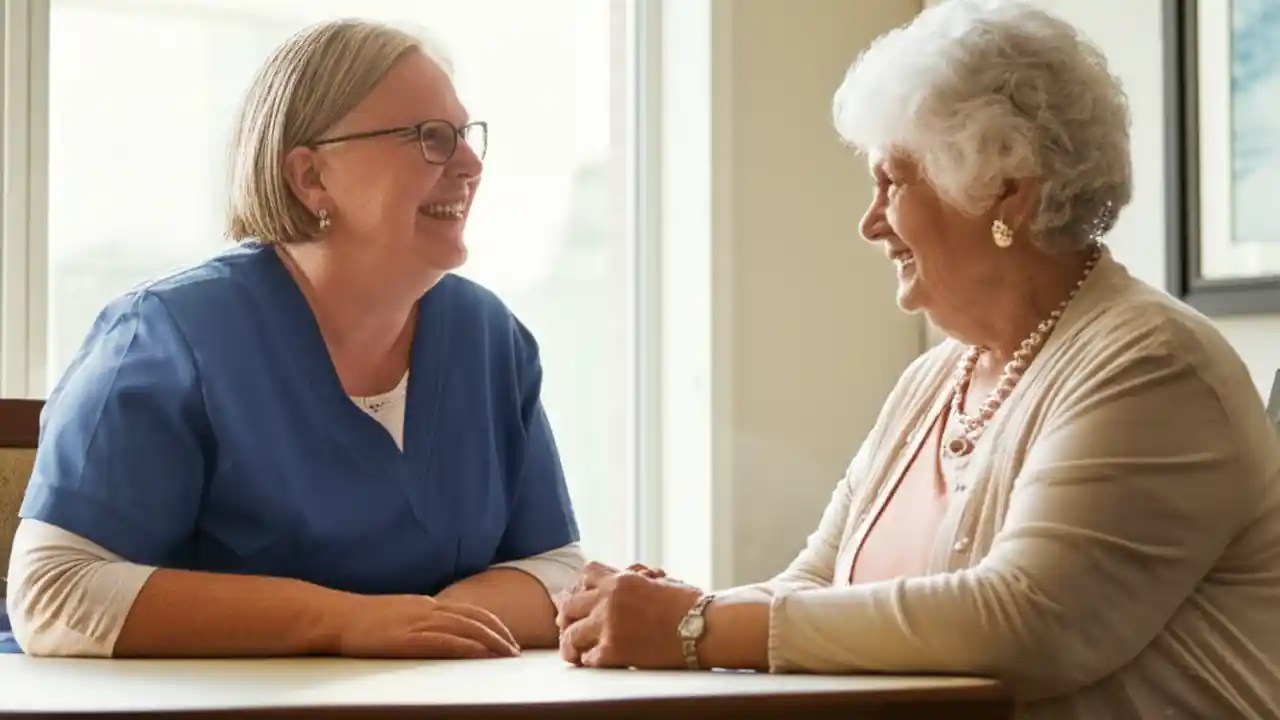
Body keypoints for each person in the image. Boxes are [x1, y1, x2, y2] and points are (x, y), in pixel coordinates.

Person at [554, 2, 1280, 717]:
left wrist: (693, 628)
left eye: (892, 182)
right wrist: (664, 610)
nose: (870, 222)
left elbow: (1024, 620)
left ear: (1004, 191)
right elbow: (816, 583)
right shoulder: (936, 379)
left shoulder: (1152, 368)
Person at [5, 18, 583, 659]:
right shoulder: (167, 336)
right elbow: (54, 592)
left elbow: (558, 569)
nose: (471, 164)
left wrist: (422, 624)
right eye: (430, 138)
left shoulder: (490, 340)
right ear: (311, 177)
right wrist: (347, 624)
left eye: (466, 136)